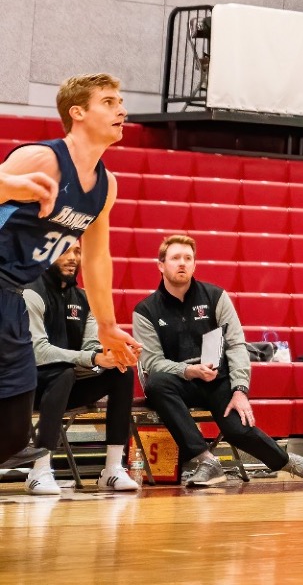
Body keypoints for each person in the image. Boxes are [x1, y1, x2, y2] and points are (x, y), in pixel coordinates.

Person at [0, 73, 139, 469]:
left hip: (11, 296)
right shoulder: (43, 158)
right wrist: (9, 184)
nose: (122, 109)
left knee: (12, 436)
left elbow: (96, 258)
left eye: (120, 101)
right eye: (109, 102)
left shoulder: (105, 186)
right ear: (77, 113)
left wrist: (109, 327)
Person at [134, 235, 303, 485]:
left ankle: (287, 461)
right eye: (175, 258)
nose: (182, 264)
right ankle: (206, 460)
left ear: (194, 264)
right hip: (179, 381)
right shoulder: (145, 310)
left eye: (188, 258)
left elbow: (236, 345)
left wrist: (240, 390)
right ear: (161, 265)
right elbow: (152, 362)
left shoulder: (215, 296)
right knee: (156, 384)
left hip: (216, 378)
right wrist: (189, 370)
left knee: (237, 429)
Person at [23, 240, 137, 493]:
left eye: (77, 251)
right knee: (62, 372)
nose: (73, 257)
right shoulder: (31, 292)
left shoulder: (85, 298)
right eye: (65, 250)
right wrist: (92, 359)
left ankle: (112, 469)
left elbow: (91, 348)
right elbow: (39, 351)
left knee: (122, 373)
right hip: (29, 387)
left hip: (68, 384)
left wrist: (111, 354)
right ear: (46, 252)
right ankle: (39, 471)